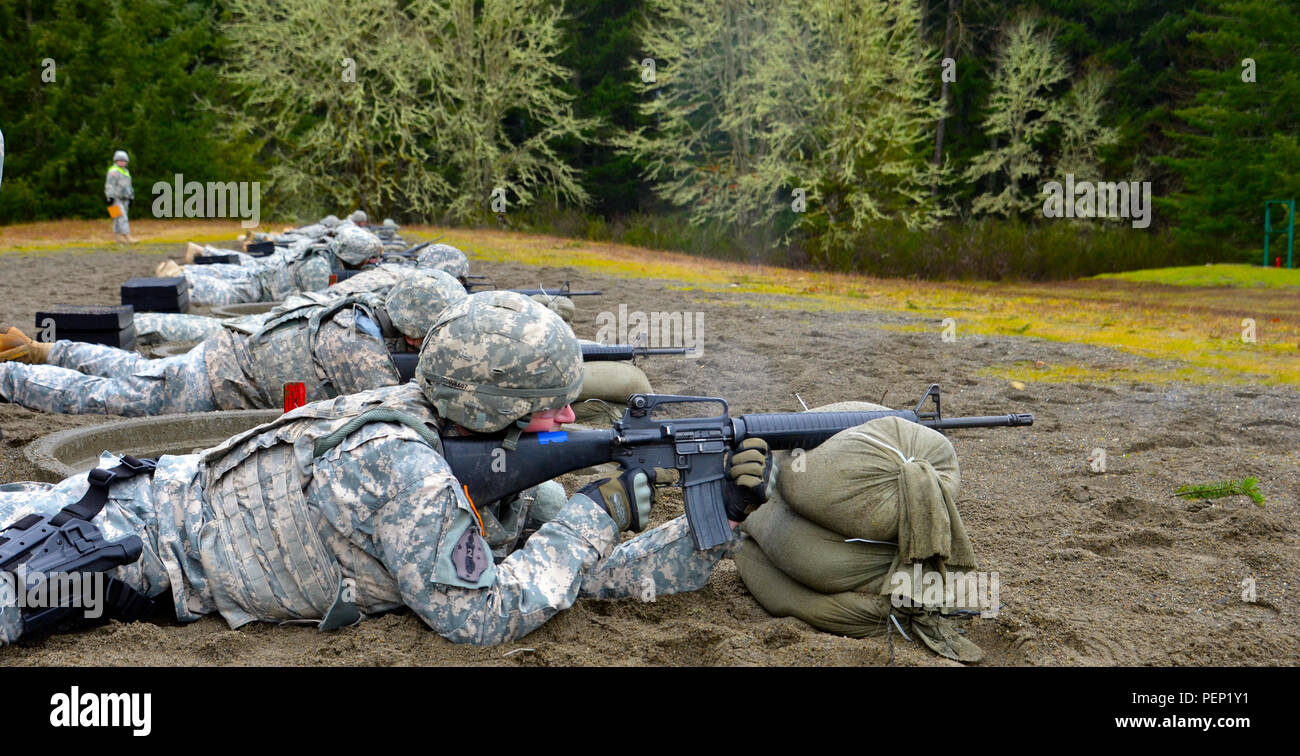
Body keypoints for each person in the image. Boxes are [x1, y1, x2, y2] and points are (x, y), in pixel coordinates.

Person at [0, 292, 774, 645]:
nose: (571, 420)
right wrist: (592, 514)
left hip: (126, 513)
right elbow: (484, 617)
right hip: (123, 544)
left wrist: (719, 527)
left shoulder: (459, 441)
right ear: (494, 407)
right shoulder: (403, 467)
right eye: (552, 406)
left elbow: (578, 577)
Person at [0, 275, 461, 416]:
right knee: (103, 397)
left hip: (225, 356)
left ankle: (39, 350)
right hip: (212, 384)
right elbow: (398, 415)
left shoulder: (366, 312)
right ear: (418, 328)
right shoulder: (361, 352)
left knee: (129, 368)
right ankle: (12, 375)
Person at [156, 225, 383, 306]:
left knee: (229, 278)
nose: (371, 264)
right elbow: (319, 304)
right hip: (263, 288)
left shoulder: (326, 257)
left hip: (267, 280)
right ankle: (172, 283)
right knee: (223, 292)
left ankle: (181, 275)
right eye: (368, 259)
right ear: (352, 256)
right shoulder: (319, 268)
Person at [104, 150, 136, 244]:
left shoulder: (126, 171)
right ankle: (126, 236)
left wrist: (131, 197)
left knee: (118, 217)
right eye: (120, 160)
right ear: (116, 160)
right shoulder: (113, 171)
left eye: (124, 160)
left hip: (125, 198)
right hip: (115, 198)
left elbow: (129, 186)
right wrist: (109, 196)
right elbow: (109, 185)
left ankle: (118, 237)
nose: (122, 162)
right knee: (121, 217)